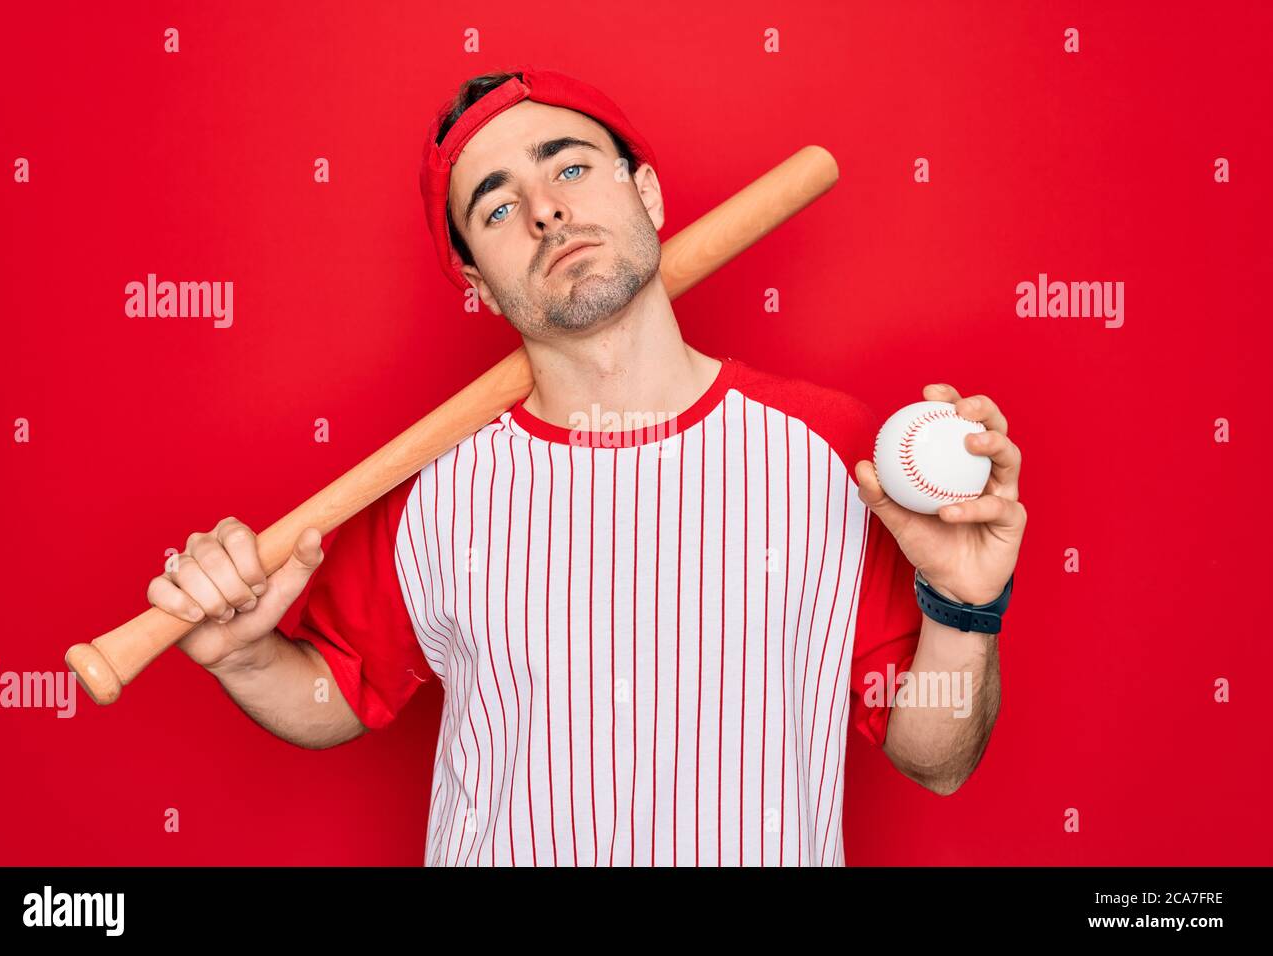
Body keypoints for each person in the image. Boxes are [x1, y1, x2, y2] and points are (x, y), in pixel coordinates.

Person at [147, 67, 1027, 866]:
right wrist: (245, 658)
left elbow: (935, 762)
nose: (545, 211)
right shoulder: (426, 485)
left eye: (568, 168)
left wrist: (965, 607)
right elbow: (336, 697)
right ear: (479, 286)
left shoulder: (835, 452)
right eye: (496, 207)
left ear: (644, 189)